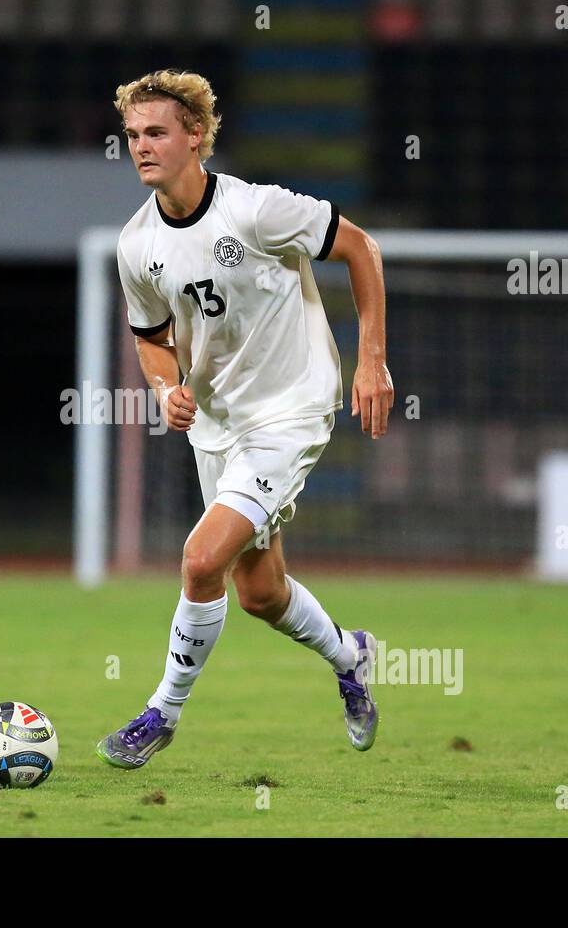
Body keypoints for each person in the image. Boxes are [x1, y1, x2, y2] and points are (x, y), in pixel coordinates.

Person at [96, 69, 395, 769]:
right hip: (219, 425)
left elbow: (361, 247)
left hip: (289, 410)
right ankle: (351, 654)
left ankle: (159, 714)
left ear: (194, 136)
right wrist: (166, 384)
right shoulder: (136, 245)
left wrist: (370, 359)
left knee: (201, 560)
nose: (141, 146)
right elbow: (149, 334)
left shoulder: (257, 210)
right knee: (259, 591)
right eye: (133, 135)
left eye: (157, 132)